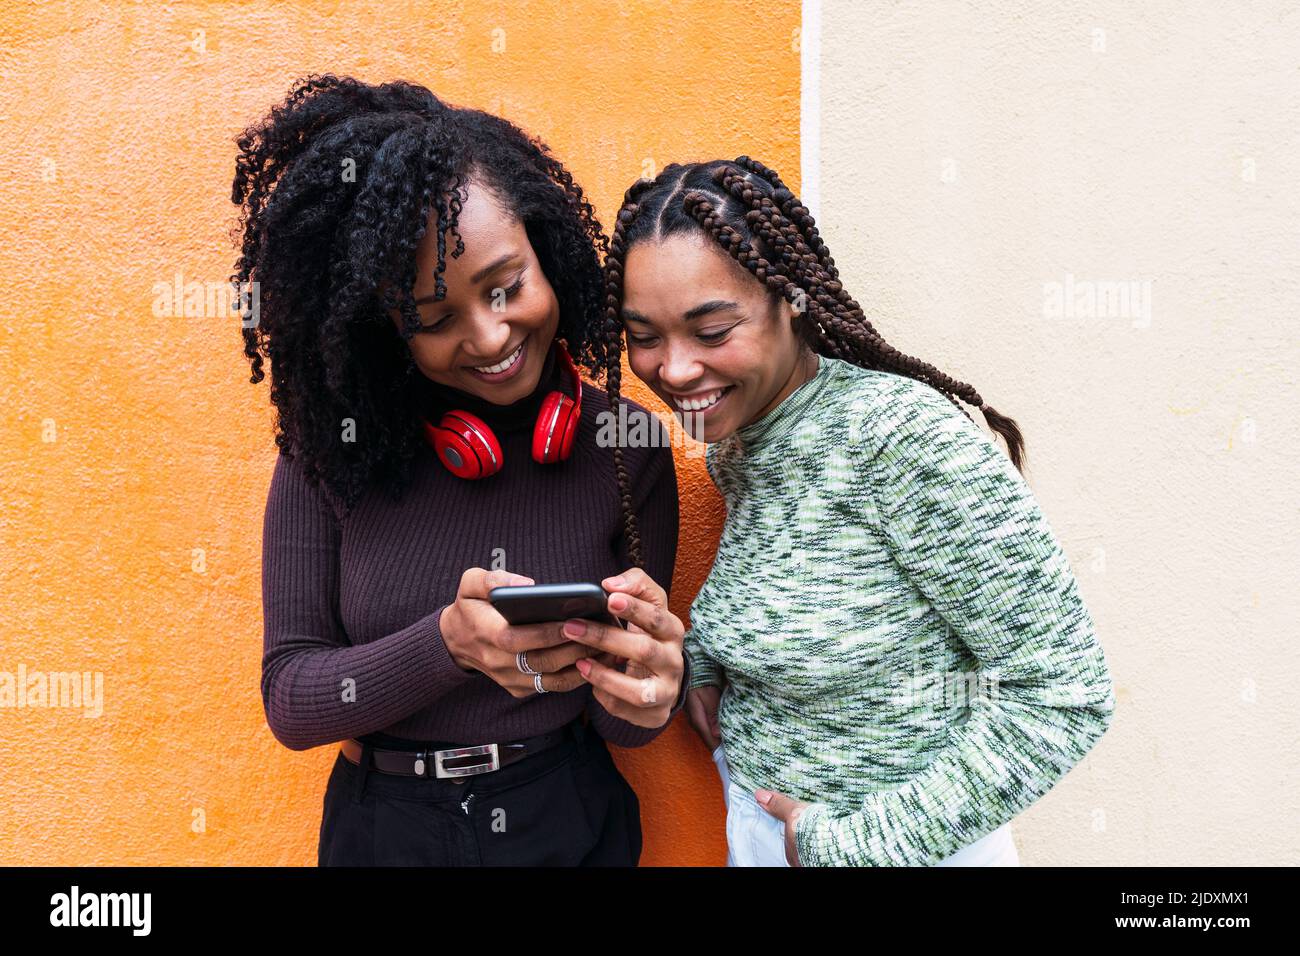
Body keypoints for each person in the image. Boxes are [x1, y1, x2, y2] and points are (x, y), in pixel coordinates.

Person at [602, 156, 1116, 866]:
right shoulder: (743, 442)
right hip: (773, 831)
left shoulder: (897, 439)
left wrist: (855, 845)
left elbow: (1065, 693)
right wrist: (711, 661)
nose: (675, 369)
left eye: (713, 331)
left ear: (793, 301)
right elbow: (814, 598)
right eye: (646, 336)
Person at [232, 74, 688, 866]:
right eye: (436, 319)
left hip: (567, 814)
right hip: (387, 829)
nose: (487, 336)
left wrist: (653, 685)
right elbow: (292, 700)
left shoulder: (626, 443)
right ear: (389, 332)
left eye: (507, 287)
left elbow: (623, 724)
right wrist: (447, 644)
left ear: (548, 252)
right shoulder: (330, 450)